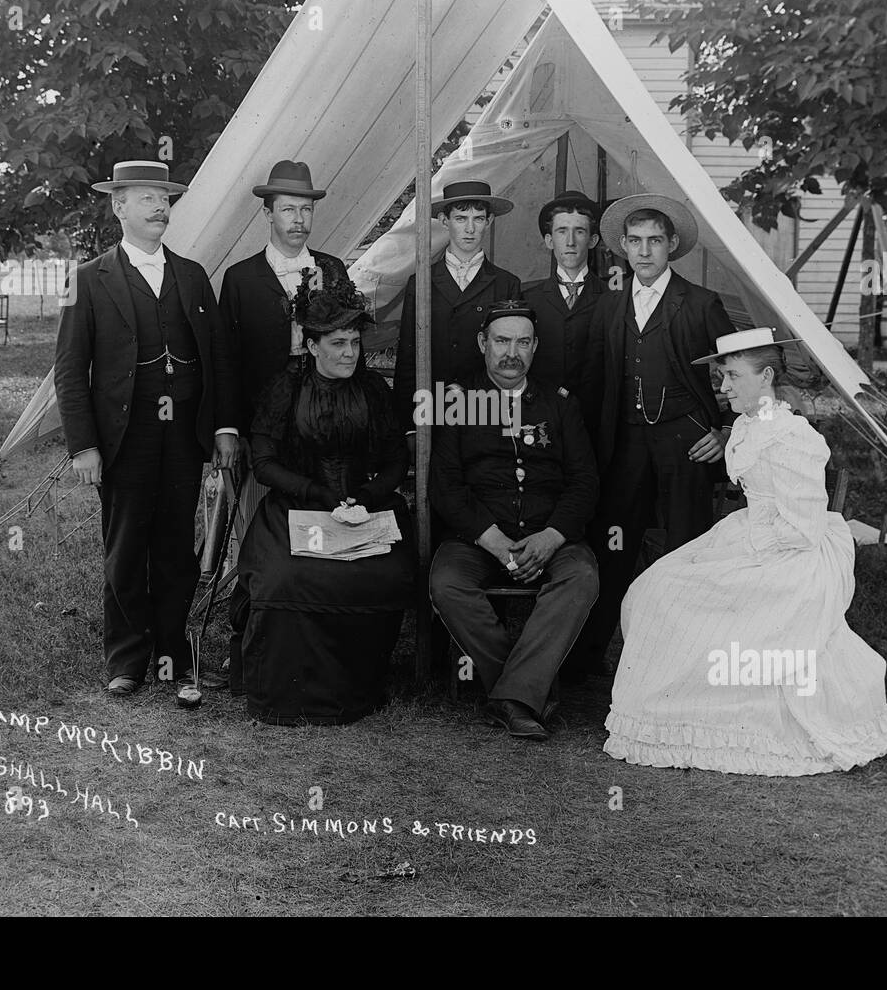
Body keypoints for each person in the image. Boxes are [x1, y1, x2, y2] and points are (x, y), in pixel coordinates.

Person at [604, 328, 887, 775]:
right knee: (652, 588)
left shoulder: (790, 437)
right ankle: (676, 712)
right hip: (754, 534)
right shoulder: (747, 425)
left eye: (733, 377)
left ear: (765, 377)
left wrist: (750, 549)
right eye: (722, 377)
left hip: (789, 553)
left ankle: (707, 718)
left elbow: (801, 527)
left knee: (669, 592)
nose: (723, 388)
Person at [54, 160, 239, 700]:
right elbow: (70, 368)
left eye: (164, 198)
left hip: (182, 434)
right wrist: (84, 444)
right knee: (127, 543)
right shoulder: (87, 279)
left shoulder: (192, 274)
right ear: (119, 206)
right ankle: (128, 658)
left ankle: (175, 654)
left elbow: (217, 358)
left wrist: (223, 426)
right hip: (125, 437)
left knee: (176, 544)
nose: (160, 208)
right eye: (146, 199)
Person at [231, 271, 414, 725]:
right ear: (312, 347)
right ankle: (286, 694)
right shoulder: (286, 389)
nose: (350, 353)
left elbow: (395, 460)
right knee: (284, 580)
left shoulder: (373, 390)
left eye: (355, 342)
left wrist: (368, 496)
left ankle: (357, 687)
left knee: (383, 574)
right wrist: (316, 492)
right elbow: (265, 463)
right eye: (338, 344)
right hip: (296, 507)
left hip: (362, 509)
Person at [569, 193, 737, 678]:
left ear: (672, 246)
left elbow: (745, 372)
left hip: (687, 443)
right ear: (622, 246)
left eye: (655, 242)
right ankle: (585, 662)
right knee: (613, 547)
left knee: (687, 546)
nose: (644, 252)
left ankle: (686, 666)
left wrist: (724, 431)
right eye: (636, 242)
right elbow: (591, 383)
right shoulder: (607, 307)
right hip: (624, 446)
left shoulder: (701, 303)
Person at [429, 300, 600, 741]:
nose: (512, 353)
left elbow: (584, 482)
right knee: (447, 584)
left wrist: (552, 537)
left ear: (536, 347)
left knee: (581, 576)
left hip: (549, 534)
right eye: (502, 341)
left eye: (523, 342)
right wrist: (494, 542)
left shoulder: (559, 404)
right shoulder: (460, 401)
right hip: (479, 538)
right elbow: (446, 486)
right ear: (482, 343)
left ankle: (509, 696)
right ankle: (525, 693)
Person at [218, 160, 353, 435]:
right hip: (263, 426)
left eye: (306, 209)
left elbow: (351, 346)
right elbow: (226, 361)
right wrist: (228, 429)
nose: (299, 220)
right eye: (288, 210)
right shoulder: (240, 278)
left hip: (327, 424)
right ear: (268, 213)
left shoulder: (332, 269)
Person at [393, 180, 522, 443]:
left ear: (490, 221)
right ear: (444, 220)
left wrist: (512, 418)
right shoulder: (421, 283)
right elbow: (408, 355)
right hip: (433, 405)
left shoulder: (506, 283)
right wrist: (408, 425)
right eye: (461, 218)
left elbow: (515, 360)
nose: (470, 229)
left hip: (487, 406)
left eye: (478, 218)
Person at [522, 189, 607, 439]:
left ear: (593, 240)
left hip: (595, 423)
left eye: (579, 231)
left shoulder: (611, 298)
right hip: (541, 420)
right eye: (562, 231)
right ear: (549, 240)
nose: (570, 241)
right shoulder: (529, 299)